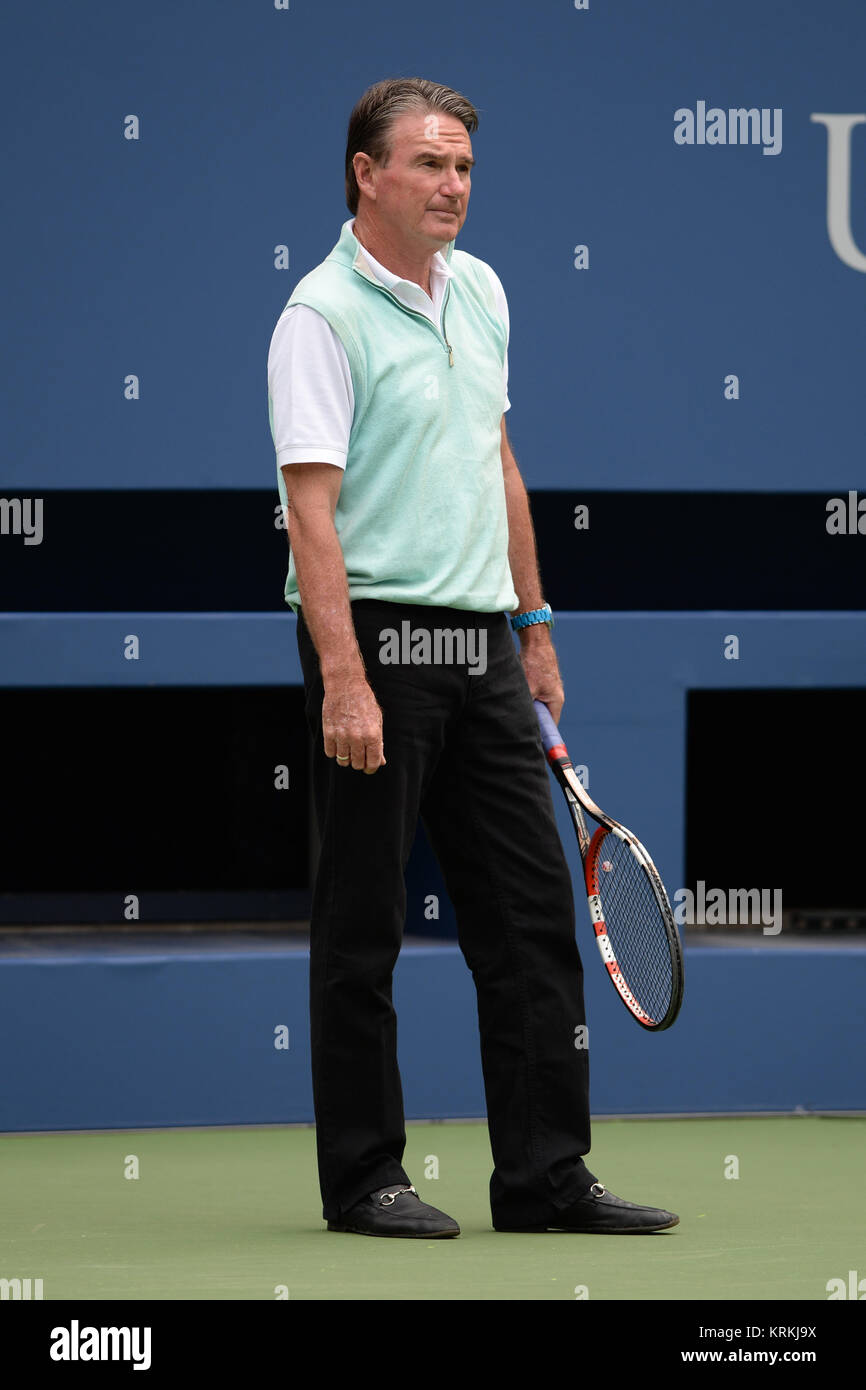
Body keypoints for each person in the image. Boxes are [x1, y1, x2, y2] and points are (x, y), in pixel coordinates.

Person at [267, 77, 678, 1238]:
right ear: (367, 174)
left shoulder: (484, 290)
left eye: (463, 170)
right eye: (429, 166)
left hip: (483, 643)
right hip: (378, 644)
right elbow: (312, 514)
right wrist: (344, 675)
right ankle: (364, 1179)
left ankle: (545, 1177)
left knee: (533, 921)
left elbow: (496, 461)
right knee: (361, 929)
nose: (452, 188)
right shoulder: (318, 316)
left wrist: (533, 622)